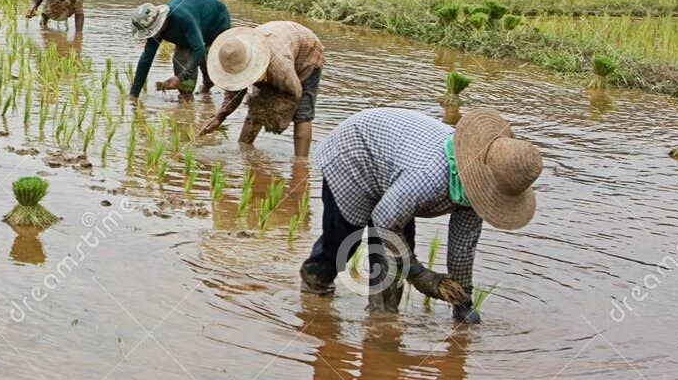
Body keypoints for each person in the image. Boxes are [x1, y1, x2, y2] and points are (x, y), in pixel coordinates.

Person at [300, 107, 542, 324]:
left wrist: (462, 301)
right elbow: (385, 221)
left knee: (396, 251)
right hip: (354, 151)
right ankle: (315, 283)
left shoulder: (478, 191)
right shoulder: (428, 176)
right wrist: (419, 274)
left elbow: (463, 246)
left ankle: (383, 319)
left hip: (395, 167)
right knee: (343, 240)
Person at [200, 20, 325, 156]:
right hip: (276, 43)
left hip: (306, 52)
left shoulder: (280, 69)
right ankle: (244, 149)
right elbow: (234, 95)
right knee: (256, 106)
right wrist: (220, 117)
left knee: (303, 112)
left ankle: (301, 161)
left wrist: (273, 112)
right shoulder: (236, 54)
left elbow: (296, 92)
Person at [128, 0, 231, 98]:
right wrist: (134, 94)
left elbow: (198, 49)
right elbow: (146, 59)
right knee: (181, 57)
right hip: (191, 27)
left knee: (208, 57)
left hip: (215, 21)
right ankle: (186, 96)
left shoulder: (182, 18)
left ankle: (207, 84)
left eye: (153, 30)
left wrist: (180, 77)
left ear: (161, 21)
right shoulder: (154, 32)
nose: (152, 35)